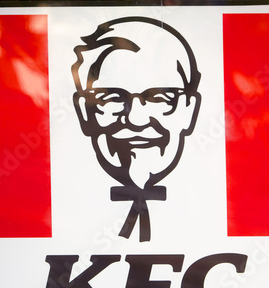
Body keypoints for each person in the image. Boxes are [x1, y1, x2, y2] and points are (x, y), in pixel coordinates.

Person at [72, 16, 201, 241]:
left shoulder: (207, 205)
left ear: (189, 109)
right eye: (112, 98)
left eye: (159, 98)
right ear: (84, 112)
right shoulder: (68, 206)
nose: (137, 120)